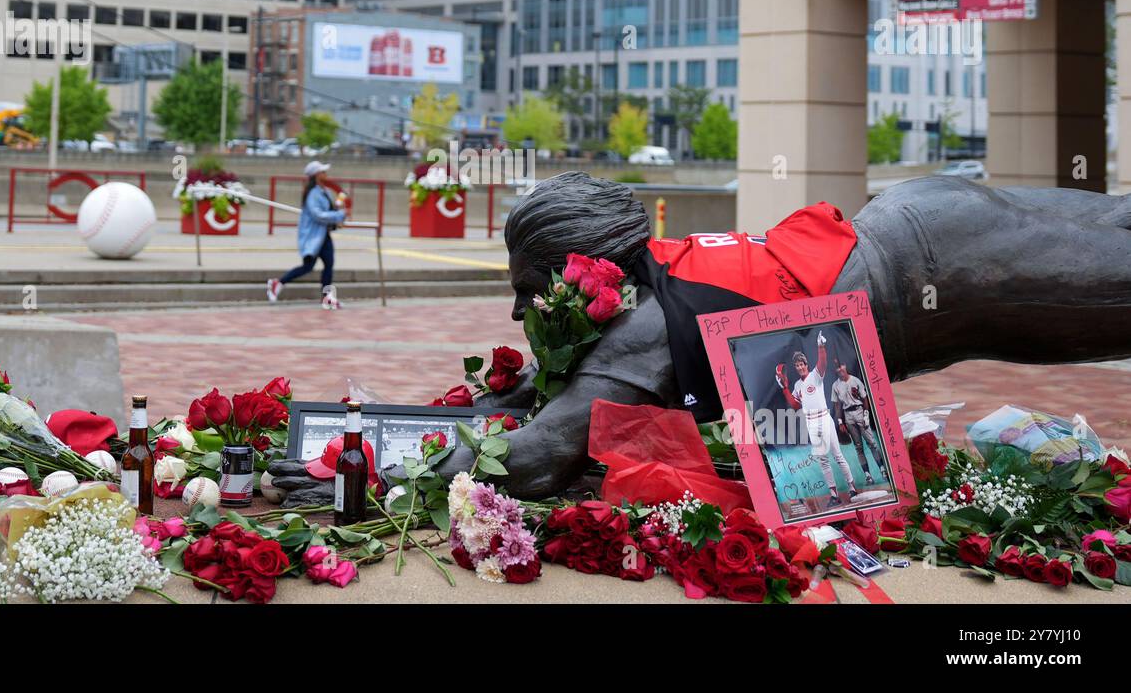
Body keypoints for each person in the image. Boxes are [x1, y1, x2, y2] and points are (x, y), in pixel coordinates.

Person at [273, 172, 1131, 504]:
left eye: (528, 290)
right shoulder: (646, 285)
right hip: (915, 222)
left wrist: (365, 472)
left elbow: (538, 458)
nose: (518, 314)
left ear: (576, 273)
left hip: (944, 269)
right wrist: (435, 419)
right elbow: (550, 404)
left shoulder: (638, 330)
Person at [776, 332, 857, 508]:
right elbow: (795, 405)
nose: (799, 367)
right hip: (812, 423)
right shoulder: (797, 385)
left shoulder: (816, 375)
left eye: (801, 364)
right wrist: (785, 388)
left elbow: (822, 363)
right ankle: (834, 494)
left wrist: (821, 346)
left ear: (806, 364)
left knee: (838, 455)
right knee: (823, 459)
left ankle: (852, 488)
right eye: (797, 365)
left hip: (824, 418)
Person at [266, 160, 346, 309]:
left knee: (328, 264)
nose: (325, 174)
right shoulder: (313, 194)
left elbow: (328, 211)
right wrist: (338, 215)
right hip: (314, 236)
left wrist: (337, 210)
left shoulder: (324, 191)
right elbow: (318, 215)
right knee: (308, 266)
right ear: (316, 175)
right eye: (322, 172)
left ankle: (327, 297)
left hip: (323, 235)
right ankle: (278, 283)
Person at [831, 359, 885, 486]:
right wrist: (840, 422)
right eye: (836, 367)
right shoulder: (835, 385)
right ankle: (868, 475)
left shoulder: (855, 380)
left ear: (845, 366)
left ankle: (882, 470)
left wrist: (866, 414)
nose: (839, 369)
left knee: (872, 443)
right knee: (858, 447)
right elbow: (837, 406)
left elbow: (865, 398)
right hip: (848, 415)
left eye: (840, 366)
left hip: (860, 411)